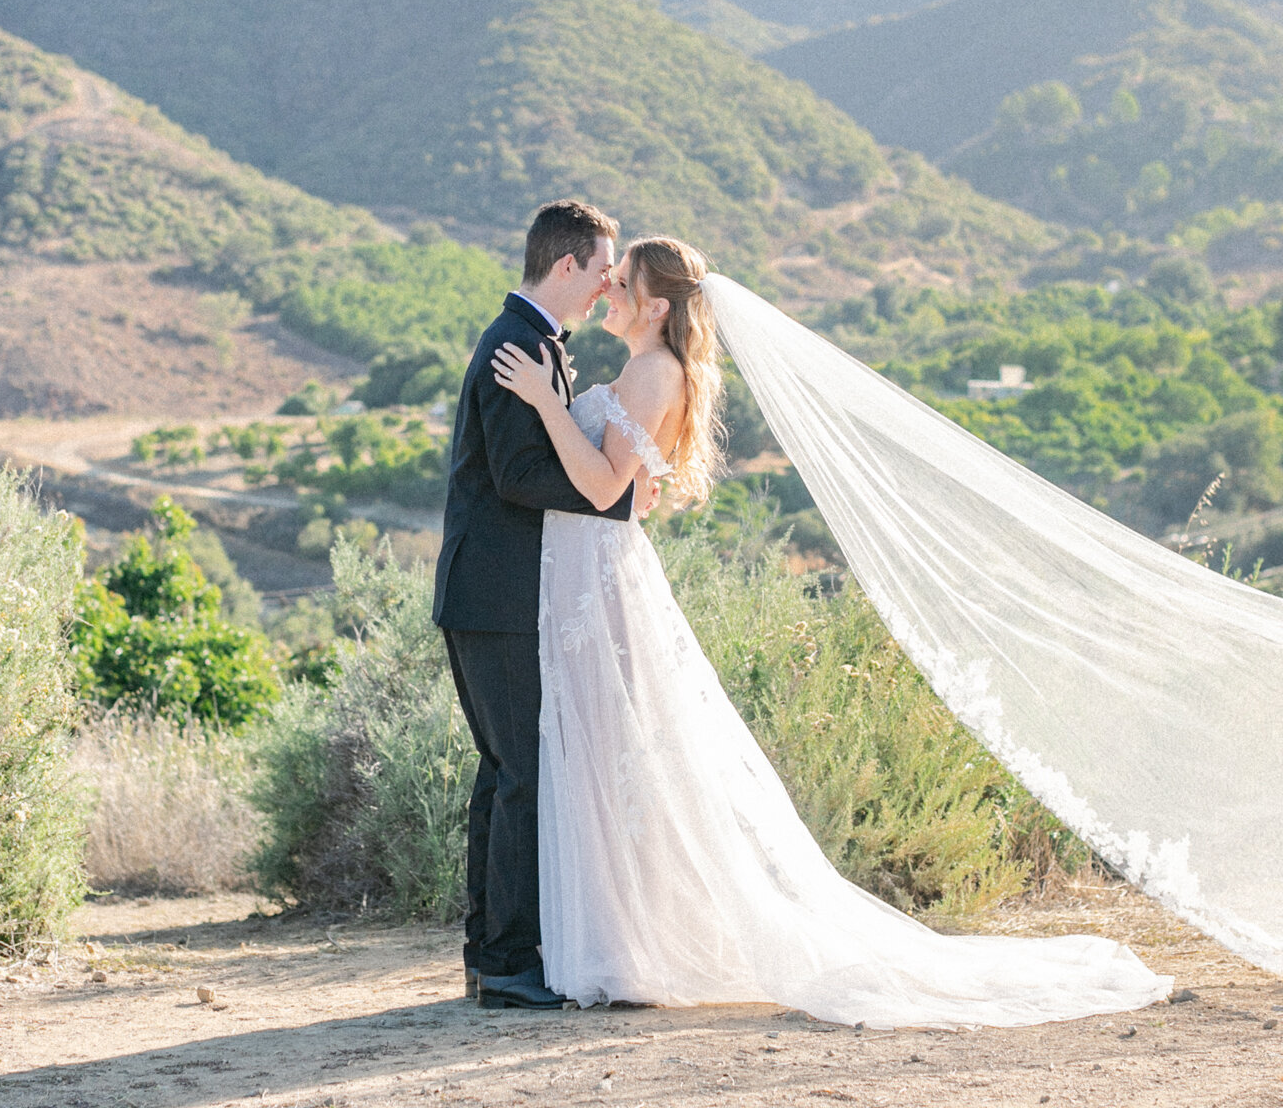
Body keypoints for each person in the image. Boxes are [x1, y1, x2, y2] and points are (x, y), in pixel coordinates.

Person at [490, 235, 1171, 1027]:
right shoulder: (647, 369)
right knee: (612, 755)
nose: (608, 286)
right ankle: (622, 939)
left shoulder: (651, 372)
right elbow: (624, 488)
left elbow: (607, 486)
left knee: (616, 752)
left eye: (624, 279)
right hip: (589, 575)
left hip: (598, 575)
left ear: (657, 305)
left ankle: (623, 946)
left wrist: (544, 402)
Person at [433, 198, 639, 1010]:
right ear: (566, 266)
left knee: (505, 773)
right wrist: (617, 497)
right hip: (499, 596)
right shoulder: (516, 344)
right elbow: (518, 477)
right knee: (522, 773)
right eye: (600, 271)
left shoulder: (530, 341)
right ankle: (510, 965)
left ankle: (492, 954)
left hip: (491, 593)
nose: (606, 286)